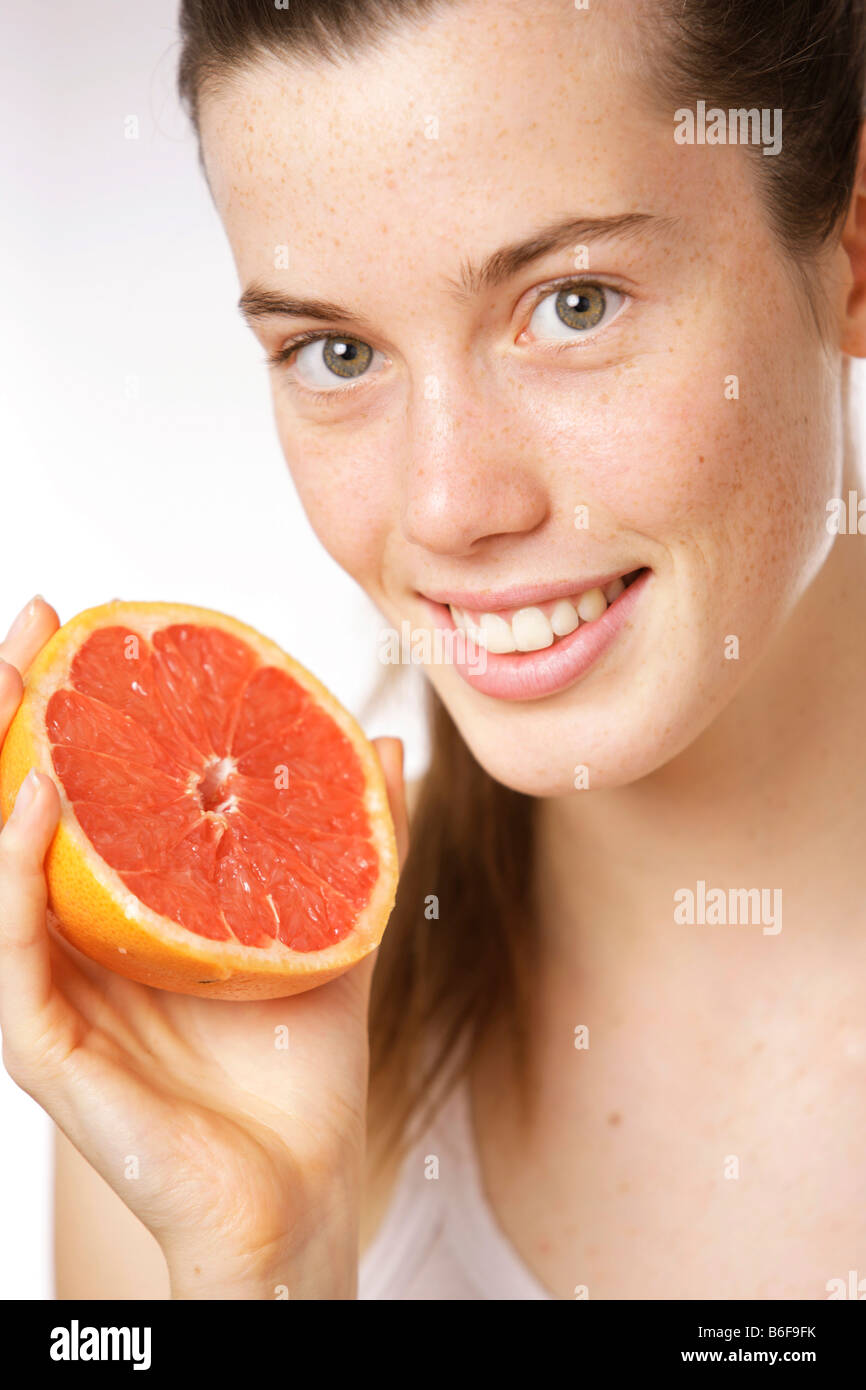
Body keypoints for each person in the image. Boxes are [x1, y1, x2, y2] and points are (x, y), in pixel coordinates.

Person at [2, 0, 866, 1300]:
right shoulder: (205, 1075)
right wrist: (265, 1273)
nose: (448, 506)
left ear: (851, 249)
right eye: (334, 352)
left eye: (571, 305)